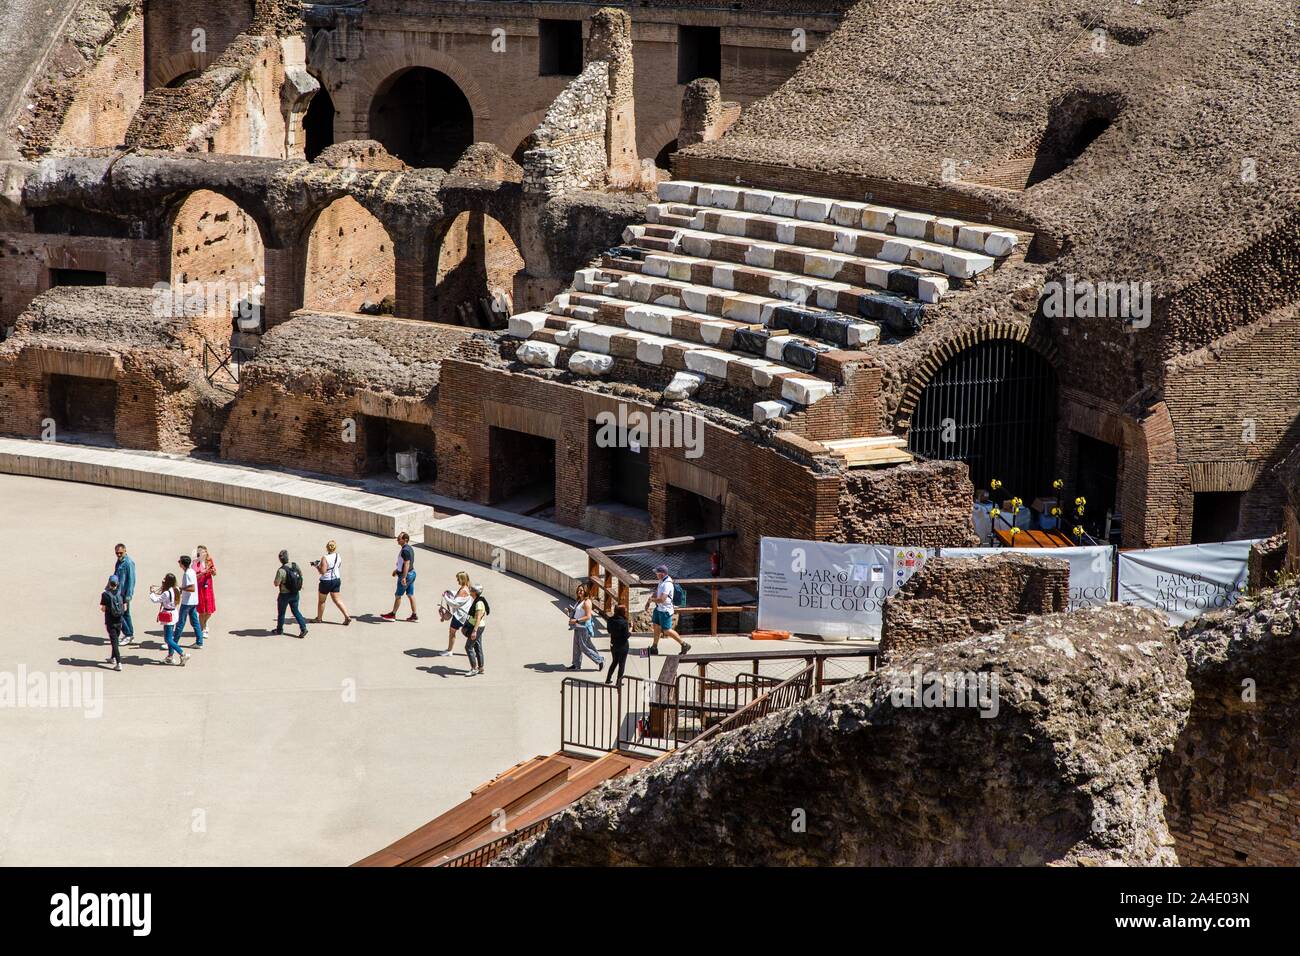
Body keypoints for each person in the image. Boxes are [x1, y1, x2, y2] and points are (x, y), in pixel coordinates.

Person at [645, 564, 690, 656]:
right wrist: (649, 600)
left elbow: (662, 599)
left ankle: (684, 644)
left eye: (657, 573)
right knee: (656, 626)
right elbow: (657, 592)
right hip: (659, 608)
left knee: (666, 630)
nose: (656, 574)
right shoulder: (661, 581)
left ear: (662, 574)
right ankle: (654, 647)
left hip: (665, 610)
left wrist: (651, 600)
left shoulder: (667, 584)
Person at [148, 573, 189, 666]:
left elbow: (156, 600)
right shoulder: (176, 589)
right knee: (170, 637)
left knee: (168, 639)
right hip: (173, 613)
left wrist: (151, 593)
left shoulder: (167, 593)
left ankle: (182, 654)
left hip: (168, 616)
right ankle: (170, 656)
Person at [311, 540, 351, 625]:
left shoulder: (325, 558)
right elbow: (338, 566)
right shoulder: (338, 556)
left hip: (326, 581)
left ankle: (319, 618)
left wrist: (317, 566)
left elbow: (323, 571)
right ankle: (347, 616)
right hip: (336, 579)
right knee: (337, 600)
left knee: (322, 601)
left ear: (327, 548)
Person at [381, 532, 417, 622]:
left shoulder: (405, 550)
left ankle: (393, 615)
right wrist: (397, 570)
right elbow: (403, 563)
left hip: (406, 575)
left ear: (405, 540)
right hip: (412, 573)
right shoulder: (409, 548)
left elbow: (407, 564)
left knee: (398, 595)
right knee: (410, 595)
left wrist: (404, 577)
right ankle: (414, 616)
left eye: (399, 538)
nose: (397, 540)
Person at [435, 571, 473, 656]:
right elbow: (457, 596)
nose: (457, 581)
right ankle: (472, 647)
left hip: (459, 616)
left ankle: (449, 651)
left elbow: (455, 604)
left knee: (452, 632)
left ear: (462, 579)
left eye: (458, 579)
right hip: (464, 615)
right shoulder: (466, 587)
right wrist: (449, 592)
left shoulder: (463, 590)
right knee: (465, 632)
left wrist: (445, 597)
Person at [568, 584, 605, 671]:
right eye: (578, 590)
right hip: (577, 627)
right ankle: (576, 664)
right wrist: (570, 612)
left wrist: (576, 620)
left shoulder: (587, 602)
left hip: (583, 628)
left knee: (584, 647)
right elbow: (578, 612)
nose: (579, 592)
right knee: (576, 647)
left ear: (585, 591)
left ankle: (600, 660)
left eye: (581, 590)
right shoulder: (579, 601)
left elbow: (588, 616)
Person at [274, 550, 309, 638]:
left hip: (284, 595)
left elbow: (276, 583)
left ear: (280, 560)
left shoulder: (281, 570)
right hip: (295, 593)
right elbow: (301, 574)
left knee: (281, 613)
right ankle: (303, 628)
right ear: (288, 557)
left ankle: (279, 630)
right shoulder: (295, 565)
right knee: (296, 611)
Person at [172, 555, 203, 648]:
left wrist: (180, 588)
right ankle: (199, 642)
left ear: (182, 564)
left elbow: (192, 588)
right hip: (193, 601)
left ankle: (174, 642)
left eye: (179, 561)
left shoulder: (187, 574)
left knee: (180, 622)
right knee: (195, 622)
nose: (179, 563)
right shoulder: (191, 571)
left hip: (187, 602)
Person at [100, 574, 125, 672]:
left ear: (109, 583)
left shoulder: (105, 594)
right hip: (119, 621)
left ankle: (118, 662)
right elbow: (124, 606)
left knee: (114, 642)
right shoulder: (120, 593)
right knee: (115, 639)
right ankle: (112, 657)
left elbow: (103, 608)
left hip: (110, 621)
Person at [463, 584, 489, 676]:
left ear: (474, 593)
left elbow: (478, 618)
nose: (470, 591)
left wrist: (474, 631)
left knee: (468, 647)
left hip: (477, 627)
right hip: (478, 626)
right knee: (477, 645)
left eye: (471, 590)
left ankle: (474, 668)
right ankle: (481, 667)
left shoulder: (478, 603)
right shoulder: (479, 600)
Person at [113, 543, 136, 645]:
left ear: (125, 551)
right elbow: (115, 575)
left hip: (124, 594)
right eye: (117, 553)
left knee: (120, 614)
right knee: (125, 614)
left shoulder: (128, 563)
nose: (118, 555)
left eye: (120, 553)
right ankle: (129, 634)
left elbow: (131, 580)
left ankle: (128, 634)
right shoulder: (119, 562)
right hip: (118, 592)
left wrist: (128, 596)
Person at [195, 545, 217, 641]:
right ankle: (203, 628)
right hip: (200, 587)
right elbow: (195, 576)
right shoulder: (195, 563)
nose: (203, 553)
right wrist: (204, 572)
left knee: (209, 609)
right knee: (202, 609)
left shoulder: (209, 561)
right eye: (201, 552)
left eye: (204, 551)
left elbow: (215, 573)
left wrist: (212, 571)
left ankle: (204, 623)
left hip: (208, 587)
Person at [604, 605, 630, 685]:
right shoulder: (624, 622)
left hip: (613, 644)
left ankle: (608, 679)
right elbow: (626, 635)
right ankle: (618, 682)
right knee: (622, 664)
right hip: (623, 645)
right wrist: (631, 630)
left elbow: (609, 631)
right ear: (622, 612)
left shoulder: (610, 619)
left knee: (614, 661)